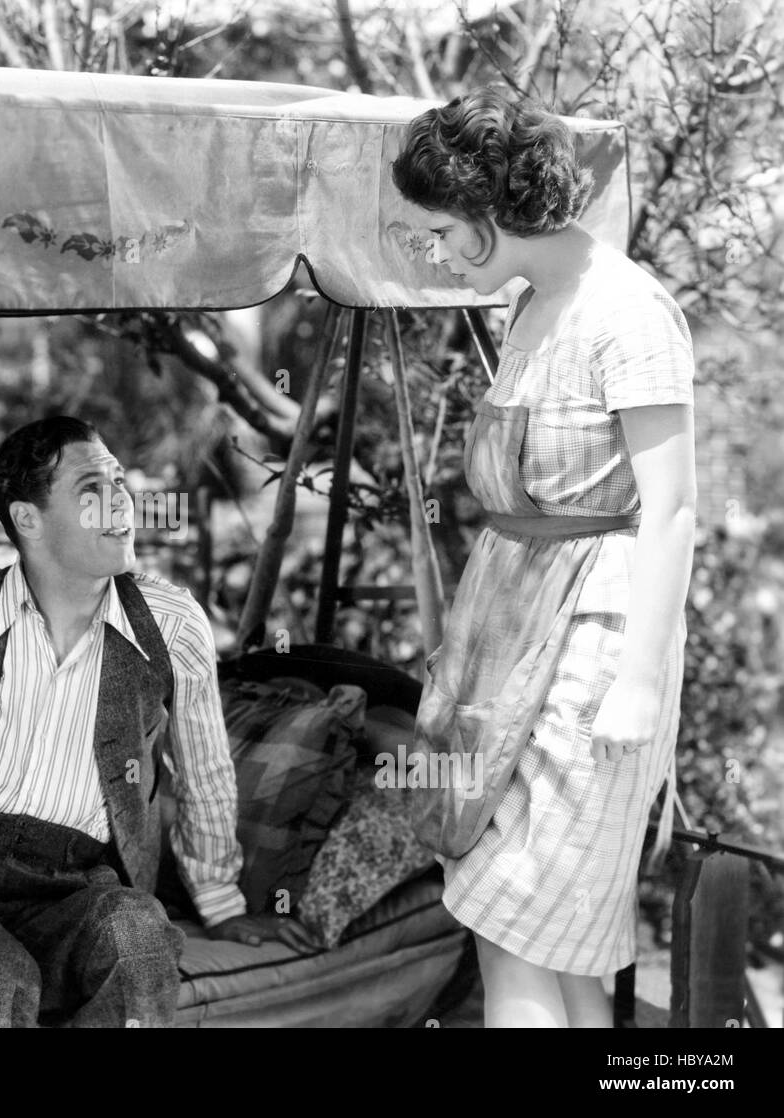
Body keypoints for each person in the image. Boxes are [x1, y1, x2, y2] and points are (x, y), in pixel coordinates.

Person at [0, 416, 317, 1027]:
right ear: (28, 520)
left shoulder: (170, 624)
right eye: (93, 489)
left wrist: (220, 900)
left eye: (121, 482)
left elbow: (205, 772)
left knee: (140, 941)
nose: (122, 503)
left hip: (81, 881)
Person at [392, 87, 697, 1027]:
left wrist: (640, 680)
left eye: (441, 229)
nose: (435, 250)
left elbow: (674, 508)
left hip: (594, 650)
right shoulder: (529, 306)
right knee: (553, 940)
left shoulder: (628, 312)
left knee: (514, 920)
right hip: (509, 637)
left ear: (490, 214)